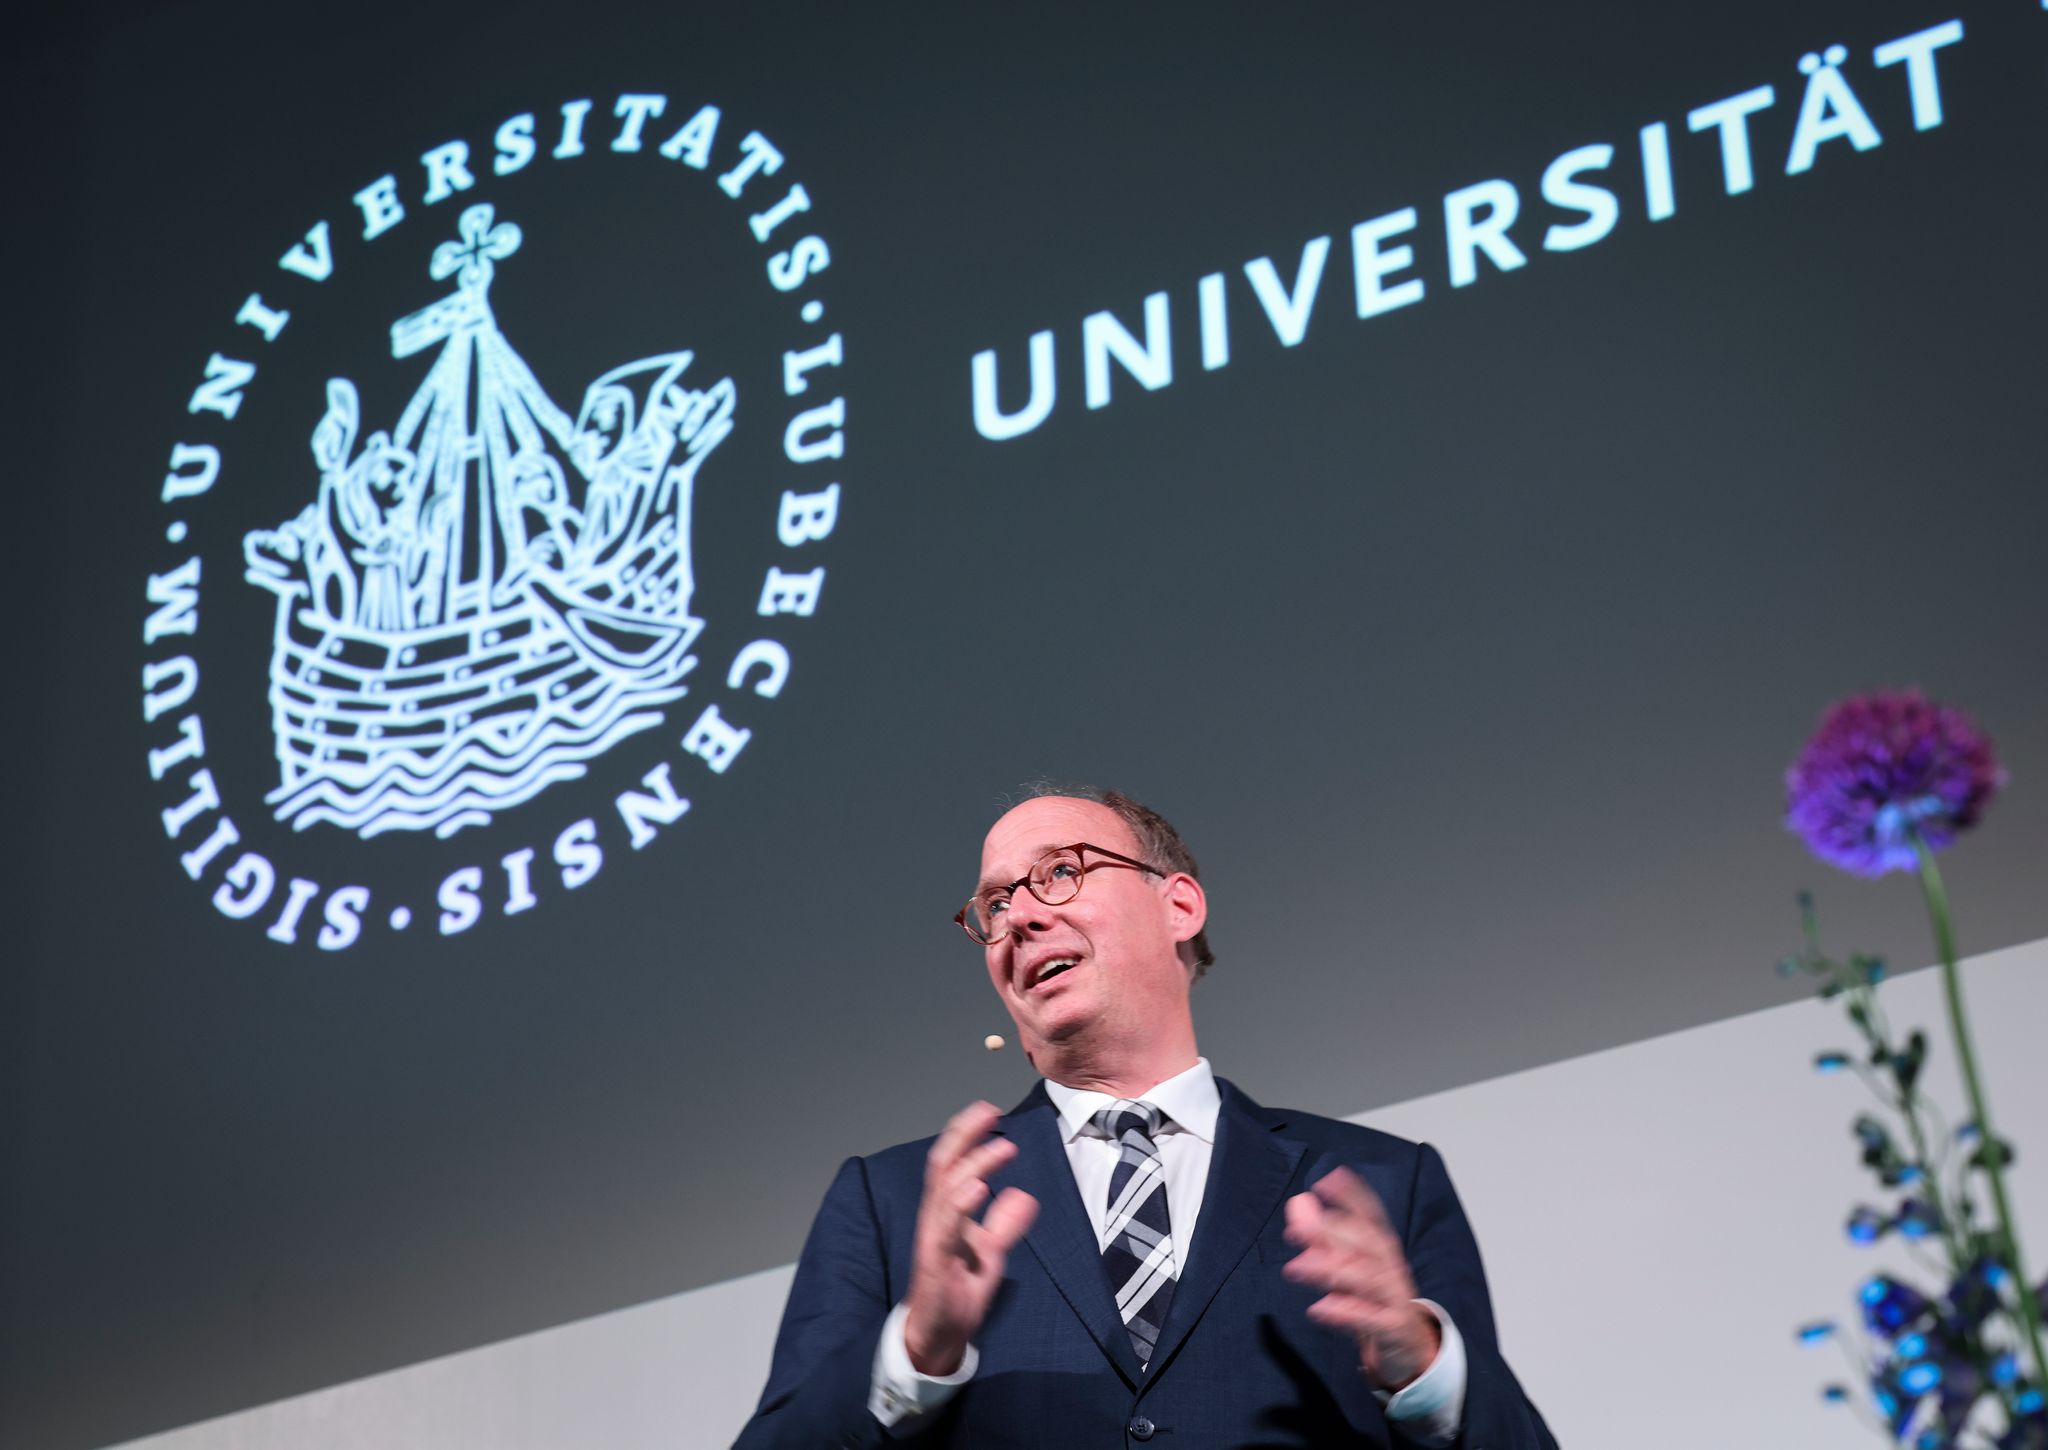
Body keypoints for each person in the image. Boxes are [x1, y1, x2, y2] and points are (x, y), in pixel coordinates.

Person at [734, 787, 1556, 1448]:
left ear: (1180, 906)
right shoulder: (892, 1202)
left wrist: (1426, 1373)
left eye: (1059, 872)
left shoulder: (1382, 1181)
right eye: (992, 906)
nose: (1018, 917)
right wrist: (912, 1355)